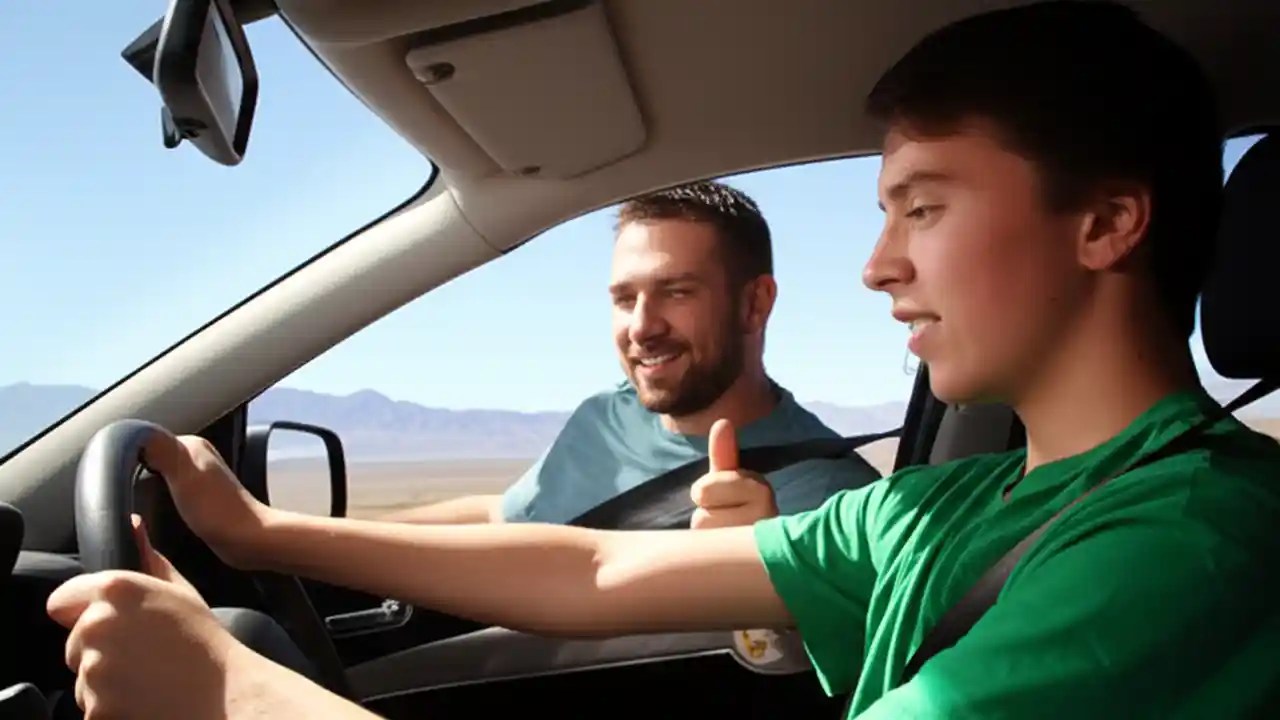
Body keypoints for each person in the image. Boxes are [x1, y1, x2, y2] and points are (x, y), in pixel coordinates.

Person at [47, 2, 1280, 718]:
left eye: (923, 209)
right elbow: (588, 571)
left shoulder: (1186, 546)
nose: (876, 267)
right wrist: (266, 539)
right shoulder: (943, 504)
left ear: (1107, 223)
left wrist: (231, 690)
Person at [381, 181, 882, 528]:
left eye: (678, 291)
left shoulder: (835, 495)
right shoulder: (606, 416)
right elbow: (506, 518)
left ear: (755, 303)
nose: (641, 327)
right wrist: (317, 544)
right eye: (625, 299)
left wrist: (758, 577)